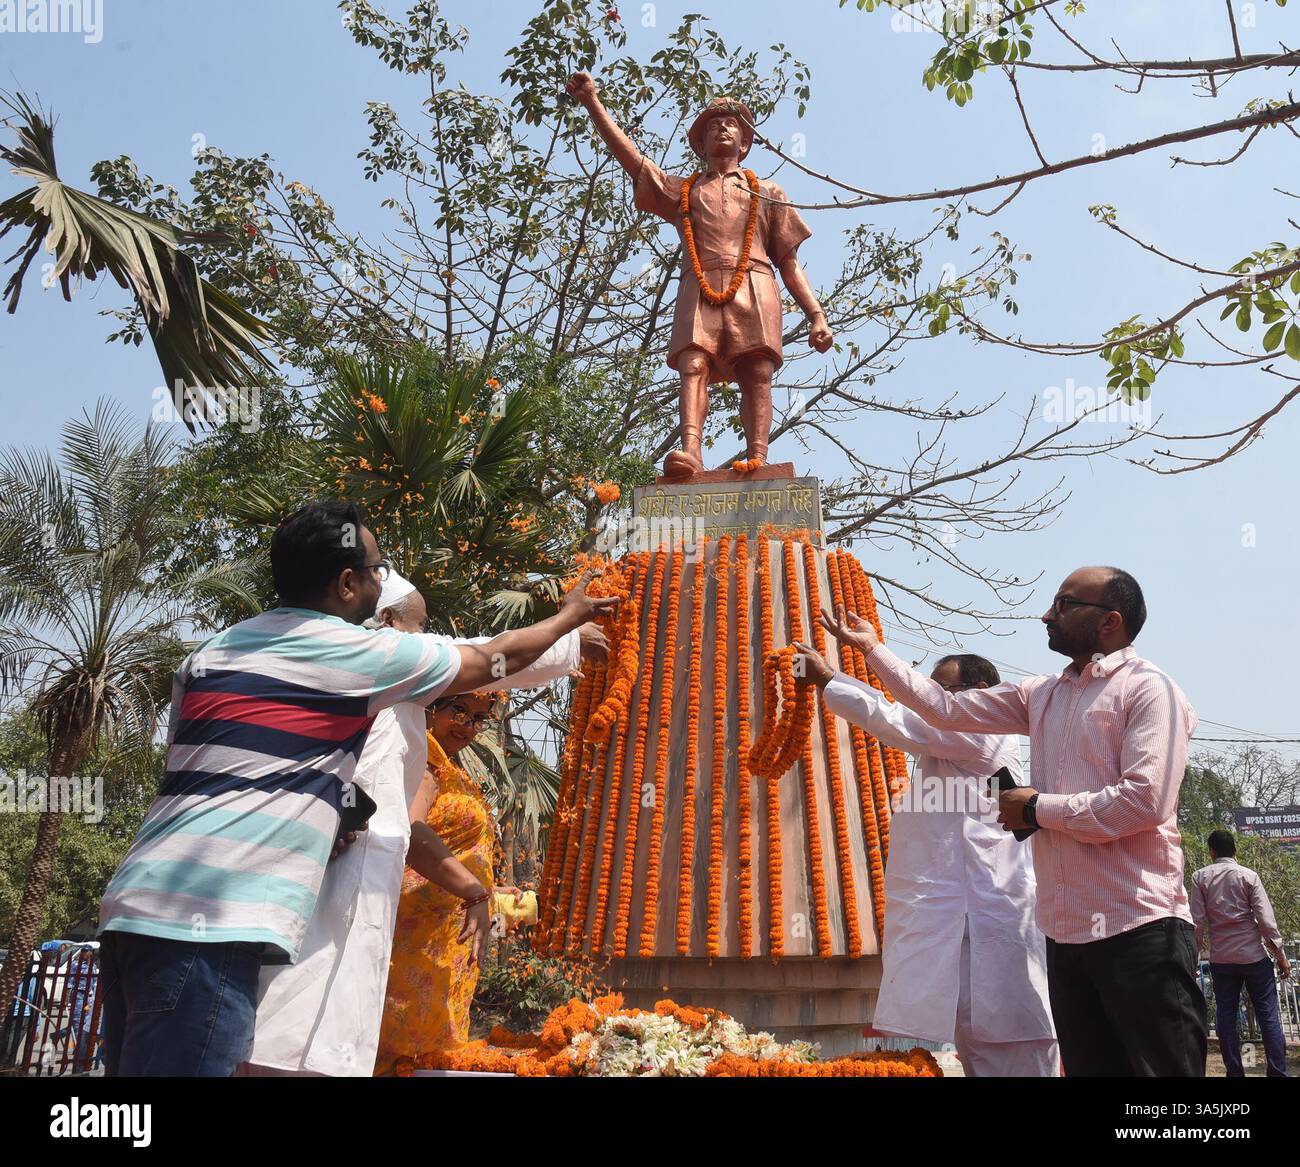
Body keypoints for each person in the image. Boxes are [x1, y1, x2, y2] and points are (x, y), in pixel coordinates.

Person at [95, 501, 616, 1076]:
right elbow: (490, 658)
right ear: (348, 584)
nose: (380, 578)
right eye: (376, 567)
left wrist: (344, 809)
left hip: (135, 906)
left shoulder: (210, 654)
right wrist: (568, 620)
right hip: (214, 921)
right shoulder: (357, 655)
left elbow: (227, 768)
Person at [818, 566, 1207, 1077]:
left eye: (1065, 605)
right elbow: (940, 709)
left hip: (1138, 926)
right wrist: (873, 650)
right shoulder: (1042, 695)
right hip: (1066, 934)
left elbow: (1143, 803)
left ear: (1110, 622)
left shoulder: (1150, 689)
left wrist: (1036, 808)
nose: (1047, 614)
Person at [243, 571, 602, 1076]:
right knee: (299, 1025)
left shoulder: (304, 664)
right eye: (422, 625)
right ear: (387, 621)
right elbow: (486, 656)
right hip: (342, 882)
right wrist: (568, 630)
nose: (428, 638)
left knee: (315, 1028)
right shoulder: (381, 664)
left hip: (352, 887)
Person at [794, 644, 1057, 1076]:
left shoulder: (980, 735)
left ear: (980, 693)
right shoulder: (950, 747)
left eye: (941, 692)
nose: (931, 702)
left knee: (1010, 1040)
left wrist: (829, 679)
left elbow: (894, 719)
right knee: (978, 1039)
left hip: (988, 920)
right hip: (970, 924)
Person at [567, 71, 833, 477]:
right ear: (700, 143)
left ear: (745, 143)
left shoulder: (768, 192)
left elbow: (789, 262)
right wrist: (592, 102)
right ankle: (690, 451)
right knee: (693, 364)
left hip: (755, 283)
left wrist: (816, 315)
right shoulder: (684, 190)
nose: (722, 129)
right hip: (700, 282)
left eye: (731, 125)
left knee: (757, 370)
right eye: (712, 126)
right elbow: (635, 163)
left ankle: (757, 456)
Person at [373, 690, 520, 1073]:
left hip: (443, 943)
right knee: (403, 1055)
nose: (467, 726)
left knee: (433, 1053)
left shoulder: (450, 769)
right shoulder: (423, 765)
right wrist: (472, 891)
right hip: (412, 945)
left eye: (478, 718)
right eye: (459, 710)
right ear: (431, 708)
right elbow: (410, 832)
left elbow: (450, 846)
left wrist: (490, 889)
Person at [1191, 829, 1291, 1077]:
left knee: (1226, 1018)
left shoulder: (1200, 877)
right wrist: (1280, 956)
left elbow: (1197, 924)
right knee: (1268, 1016)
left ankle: (1235, 1073)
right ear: (1235, 850)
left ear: (1211, 852)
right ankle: (1277, 1072)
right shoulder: (1249, 876)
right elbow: (1266, 921)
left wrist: (1192, 958)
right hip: (1254, 957)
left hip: (1222, 960)